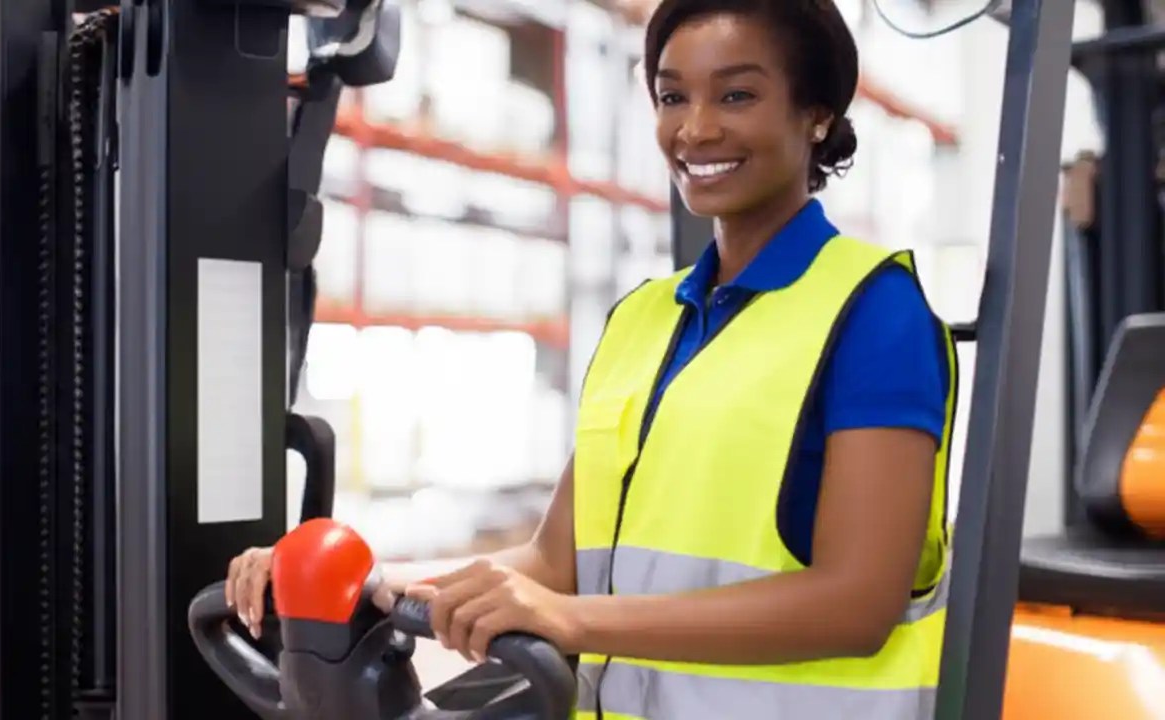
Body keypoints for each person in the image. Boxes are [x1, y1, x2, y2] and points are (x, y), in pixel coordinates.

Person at [227, 0, 957, 716]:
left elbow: (855, 603)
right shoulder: (643, 319)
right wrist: (357, 580)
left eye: (736, 95)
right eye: (673, 97)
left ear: (816, 113)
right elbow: (555, 564)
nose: (696, 129)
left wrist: (574, 621)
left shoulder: (874, 311)